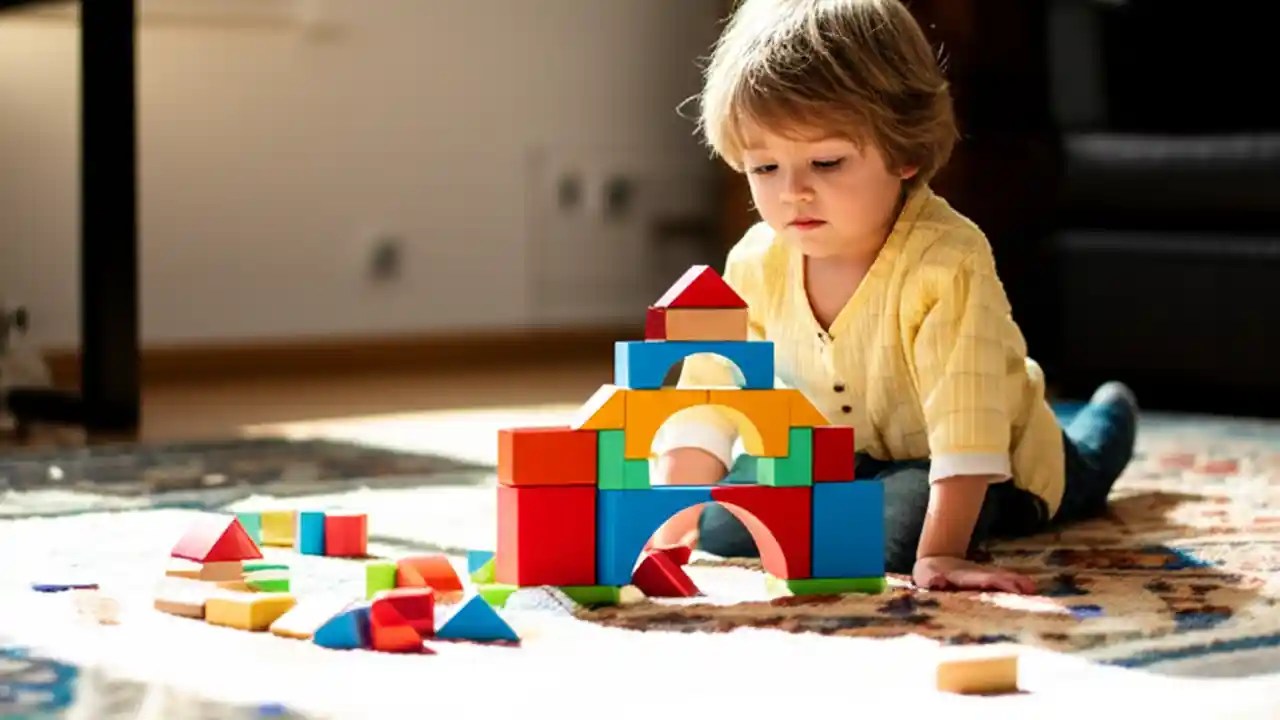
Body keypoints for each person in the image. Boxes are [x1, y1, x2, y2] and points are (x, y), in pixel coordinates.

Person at [649, 0, 1138, 594]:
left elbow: (967, 423)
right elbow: (713, 391)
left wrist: (942, 555)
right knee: (725, 524)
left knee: (902, 535)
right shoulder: (755, 261)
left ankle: (1103, 428)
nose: (793, 192)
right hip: (842, 459)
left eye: (826, 162)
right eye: (765, 167)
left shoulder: (947, 260)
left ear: (904, 152)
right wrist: (671, 521)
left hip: (967, 458)